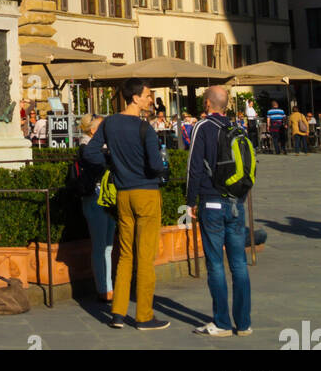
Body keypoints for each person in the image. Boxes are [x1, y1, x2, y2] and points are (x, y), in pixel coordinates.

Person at [84, 78, 169, 331]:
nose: (149, 100)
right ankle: (144, 315)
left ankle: (118, 312)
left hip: (123, 194)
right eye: (147, 95)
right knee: (144, 256)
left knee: (124, 254)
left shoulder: (109, 123)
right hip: (146, 193)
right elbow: (155, 165)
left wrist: (111, 164)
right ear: (135, 98)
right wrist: (158, 170)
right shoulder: (145, 129)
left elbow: (90, 152)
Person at [186, 85, 251, 337]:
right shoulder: (237, 128)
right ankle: (243, 324)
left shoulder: (202, 127)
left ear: (207, 104)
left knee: (215, 264)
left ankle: (222, 323)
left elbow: (194, 167)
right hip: (236, 202)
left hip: (211, 202)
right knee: (239, 264)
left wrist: (191, 201)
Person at [78, 112, 115, 302]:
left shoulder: (102, 147)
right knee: (100, 245)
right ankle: (102, 287)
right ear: (93, 130)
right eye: (102, 128)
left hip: (107, 196)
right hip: (95, 197)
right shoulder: (86, 148)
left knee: (109, 245)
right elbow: (100, 164)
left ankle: (108, 286)